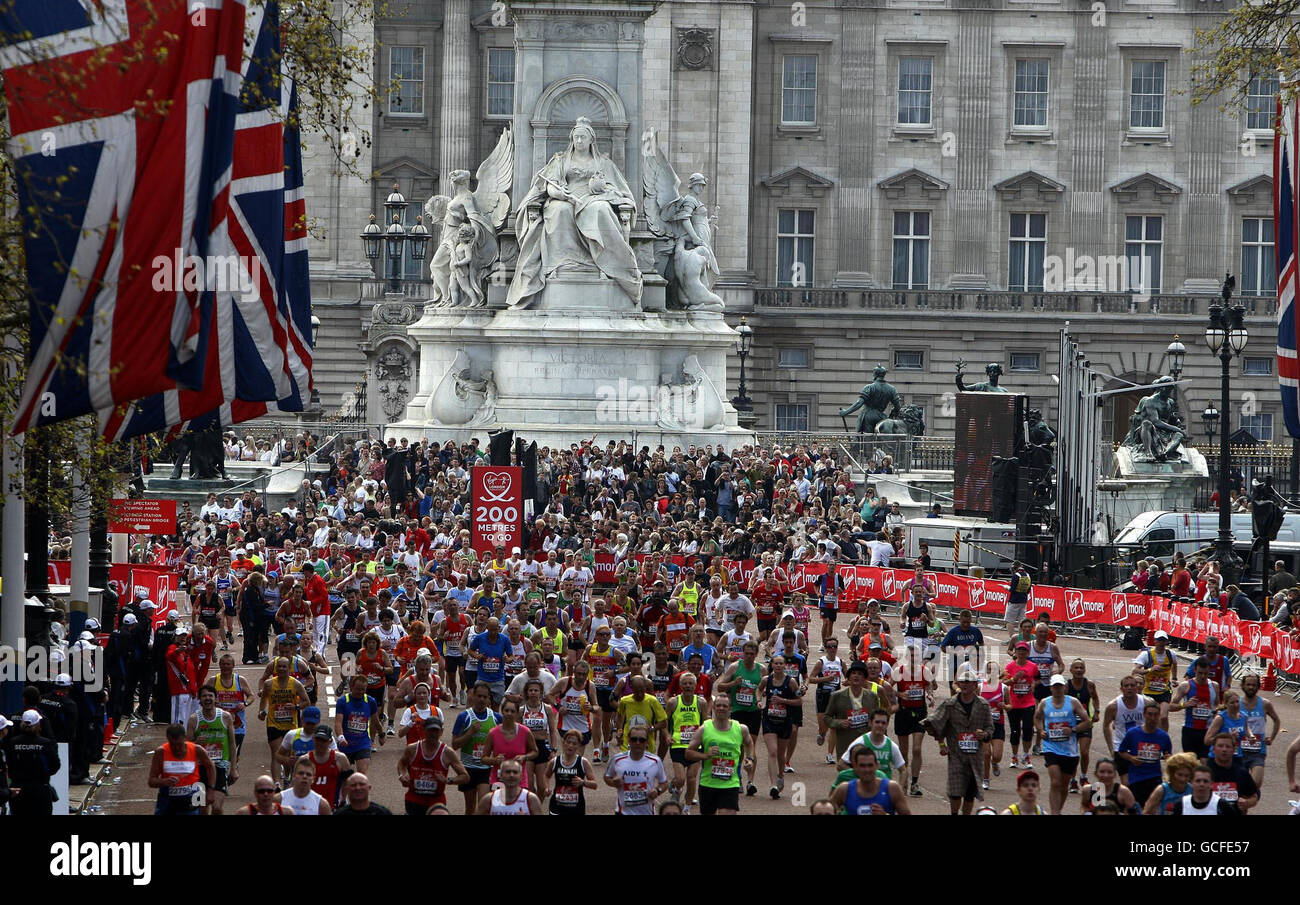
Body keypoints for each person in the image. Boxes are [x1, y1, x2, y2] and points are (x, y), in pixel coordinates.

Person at [926, 666, 995, 814]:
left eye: (968, 682)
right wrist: (941, 744)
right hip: (956, 754)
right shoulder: (950, 704)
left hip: (975, 756)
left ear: (975, 685)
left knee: (970, 794)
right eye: (962, 681)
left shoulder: (983, 705)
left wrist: (984, 735)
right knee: (955, 791)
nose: (964, 684)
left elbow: (990, 728)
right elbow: (934, 724)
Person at [685, 694, 756, 815]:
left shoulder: (740, 729)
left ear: (730, 709)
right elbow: (688, 753)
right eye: (718, 705)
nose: (721, 708)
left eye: (725, 706)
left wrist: (750, 759)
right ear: (713, 707)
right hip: (708, 784)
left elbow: (749, 743)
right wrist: (705, 756)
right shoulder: (704, 728)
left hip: (730, 784)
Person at [1034, 673, 1092, 814]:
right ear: (1051, 688)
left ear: (1065, 688)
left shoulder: (1072, 702)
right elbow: (1037, 717)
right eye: (1055, 687)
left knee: (1064, 784)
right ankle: (1054, 812)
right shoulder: (1044, 702)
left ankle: (1058, 810)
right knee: (1055, 782)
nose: (1058, 689)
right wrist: (1041, 730)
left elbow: (1087, 722)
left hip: (1069, 750)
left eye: (1060, 686)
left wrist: (1073, 729)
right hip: (1051, 747)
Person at [716, 640, 766, 795]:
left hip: (753, 712)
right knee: (738, 746)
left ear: (756, 654)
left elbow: (767, 688)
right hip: (737, 710)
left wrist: (760, 698)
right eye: (747, 654)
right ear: (743, 653)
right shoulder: (735, 667)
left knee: (751, 744)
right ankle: (737, 778)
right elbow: (720, 687)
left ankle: (750, 781)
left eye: (752, 654)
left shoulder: (761, 670)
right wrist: (733, 683)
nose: (749, 657)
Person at [398, 712, 469, 815]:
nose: (433, 734)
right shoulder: (412, 749)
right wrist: (403, 775)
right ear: (424, 730)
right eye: (430, 730)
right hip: (414, 800)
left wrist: (448, 780)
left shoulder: (447, 753)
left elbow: (465, 777)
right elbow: (402, 764)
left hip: (436, 802)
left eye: (436, 731)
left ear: (441, 732)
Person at [186, 685, 237, 815]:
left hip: (221, 765)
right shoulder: (194, 719)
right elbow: (186, 747)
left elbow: (232, 743)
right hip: (200, 767)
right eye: (204, 696)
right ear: (199, 699)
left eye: (210, 696)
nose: (207, 699)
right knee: (201, 808)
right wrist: (196, 743)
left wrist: (234, 768)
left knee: (217, 807)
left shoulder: (225, 717)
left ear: (216, 699)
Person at [451, 682, 501, 814]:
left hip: (486, 769)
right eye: (479, 696)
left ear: (489, 698)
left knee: (484, 806)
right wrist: (470, 733)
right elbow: (455, 744)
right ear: (472, 696)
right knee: (470, 808)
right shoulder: (464, 717)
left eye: (485, 697)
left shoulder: (496, 718)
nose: (482, 700)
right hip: (468, 768)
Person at [823, 660, 886, 763]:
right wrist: (838, 723)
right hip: (845, 745)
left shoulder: (872, 696)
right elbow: (827, 717)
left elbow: (876, 717)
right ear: (849, 677)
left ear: (864, 678)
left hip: (866, 745)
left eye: (860, 674)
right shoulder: (837, 696)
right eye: (853, 673)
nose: (856, 676)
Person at [759, 654, 804, 799]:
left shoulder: (790, 682)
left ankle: (780, 775)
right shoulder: (766, 680)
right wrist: (759, 701)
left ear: (785, 666)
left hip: (784, 721)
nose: (778, 666)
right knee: (772, 751)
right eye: (776, 663)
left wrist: (783, 700)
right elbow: (759, 690)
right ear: (772, 665)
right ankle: (773, 785)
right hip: (769, 720)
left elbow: (799, 701)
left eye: (781, 664)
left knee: (780, 755)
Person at [148, 722, 217, 815]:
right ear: (168, 739)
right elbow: (151, 781)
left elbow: (210, 767)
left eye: (179, 744)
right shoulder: (161, 752)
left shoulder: (196, 750)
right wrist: (164, 781)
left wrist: (211, 790)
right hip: (168, 802)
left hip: (191, 801)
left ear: (185, 738)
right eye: (172, 744)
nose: (176, 748)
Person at [893, 645, 935, 796]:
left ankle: (915, 783)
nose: (913, 658)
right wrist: (900, 694)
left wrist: (930, 695)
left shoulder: (924, 671)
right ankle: (903, 780)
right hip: (903, 713)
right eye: (910, 655)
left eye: (915, 655)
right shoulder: (899, 671)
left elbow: (930, 686)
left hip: (919, 712)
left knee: (916, 749)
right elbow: (886, 687)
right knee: (903, 752)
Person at [3, 710, 60, 817]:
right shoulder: (45, 743)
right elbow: (55, 766)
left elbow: (9, 764)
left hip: (18, 790)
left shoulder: (13, 742)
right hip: (40, 789)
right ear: (38, 724)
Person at [664, 671, 707, 812]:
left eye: (690, 683)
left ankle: (687, 807)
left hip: (695, 746)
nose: (688, 686)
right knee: (681, 779)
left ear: (695, 685)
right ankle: (675, 786)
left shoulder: (701, 702)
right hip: (677, 744)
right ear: (680, 685)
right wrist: (667, 735)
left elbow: (706, 724)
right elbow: (664, 722)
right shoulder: (673, 702)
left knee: (691, 778)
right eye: (685, 683)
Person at [1117, 701, 1172, 807]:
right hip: (1136, 778)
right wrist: (1131, 758)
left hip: (1154, 778)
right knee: (1137, 808)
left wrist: (1168, 757)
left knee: (1152, 808)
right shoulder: (1133, 733)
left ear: (1159, 716)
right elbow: (1121, 751)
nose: (1152, 718)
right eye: (1149, 714)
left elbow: (1168, 754)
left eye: (1155, 715)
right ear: (1144, 715)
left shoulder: (1164, 736)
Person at [1102, 675, 1152, 790]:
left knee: (1143, 783)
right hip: (1121, 747)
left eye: (1132, 685)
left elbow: (1155, 722)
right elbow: (1106, 726)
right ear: (1121, 689)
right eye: (1126, 686)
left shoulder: (1146, 703)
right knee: (1127, 784)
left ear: (1137, 688)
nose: (1129, 688)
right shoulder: (1113, 706)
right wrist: (1111, 748)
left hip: (1141, 747)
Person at [603, 726, 668, 815]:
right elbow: (607, 777)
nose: (638, 743)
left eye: (642, 740)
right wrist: (613, 782)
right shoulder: (617, 759)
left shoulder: (655, 761)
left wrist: (658, 790)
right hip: (623, 812)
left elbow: (664, 782)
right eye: (634, 739)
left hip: (647, 812)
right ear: (629, 741)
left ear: (647, 742)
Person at [830, 745, 910, 815]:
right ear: (855, 767)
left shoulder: (892, 789)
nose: (867, 770)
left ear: (877, 765)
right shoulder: (844, 789)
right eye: (862, 766)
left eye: (870, 765)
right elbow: (826, 810)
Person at [1169, 657, 1221, 758]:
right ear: (1195, 671)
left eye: (1205, 673)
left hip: (1207, 730)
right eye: (1200, 673)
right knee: (1190, 764)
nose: (1202, 676)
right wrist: (1185, 705)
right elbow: (1170, 706)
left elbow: (1217, 705)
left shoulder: (1214, 686)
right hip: (1190, 730)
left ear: (1209, 672)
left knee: (1205, 764)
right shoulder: (1186, 685)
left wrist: (1217, 713)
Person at [335, 673, 385, 775]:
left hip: (363, 744)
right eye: (358, 689)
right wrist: (340, 737)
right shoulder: (343, 701)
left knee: (361, 774)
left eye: (363, 689)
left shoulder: (370, 701)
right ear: (351, 686)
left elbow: (375, 720)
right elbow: (338, 722)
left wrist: (381, 734)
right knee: (343, 775)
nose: (360, 692)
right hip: (346, 744)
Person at [1063, 658, 1100, 793]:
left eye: (1081, 668)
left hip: (1085, 723)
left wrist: (1096, 712)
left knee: (1084, 752)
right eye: (1076, 668)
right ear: (1071, 670)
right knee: (1073, 754)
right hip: (1071, 724)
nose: (1079, 670)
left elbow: (1095, 698)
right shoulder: (1066, 686)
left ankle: (1083, 776)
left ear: (1084, 670)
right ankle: (1072, 780)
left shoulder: (1089, 685)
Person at [1002, 641, 1040, 768]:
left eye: (1024, 650)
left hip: (1028, 703)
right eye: (1019, 650)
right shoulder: (1010, 667)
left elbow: (1038, 678)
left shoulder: (1033, 666)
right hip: (1013, 703)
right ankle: (1014, 756)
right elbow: (1003, 683)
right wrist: (1014, 679)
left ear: (1028, 652)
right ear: (1016, 652)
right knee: (1015, 731)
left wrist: (1034, 684)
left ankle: (1025, 755)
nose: (1022, 652)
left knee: (1028, 729)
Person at [809, 637, 845, 765]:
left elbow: (847, 677)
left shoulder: (840, 662)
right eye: (829, 646)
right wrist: (826, 679)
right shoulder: (821, 662)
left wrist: (847, 682)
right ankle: (822, 734)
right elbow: (811, 679)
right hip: (822, 694)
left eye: (834, 646)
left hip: (836, 694)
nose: (832, 649)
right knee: (823, 724)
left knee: (834, 726)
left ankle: (830, 754)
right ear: (826, 648)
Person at [1132, 630, 1178, 730]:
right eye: (1159, 640)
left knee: (1163, 717)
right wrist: (1149, 670)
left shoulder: (1171, 654)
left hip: (1164, 692)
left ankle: (1163, 738)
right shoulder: (1146, 655)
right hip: (1148, 692)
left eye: (1163, 640)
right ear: (1155, 641)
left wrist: (1174, 678)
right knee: (1147, 719)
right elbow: (1134, 671)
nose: (1161, 643)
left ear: (1166, 642)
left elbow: (1174, 664)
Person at [1205, 732, 1260, 812]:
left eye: (1228, 747)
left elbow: (1254, 797)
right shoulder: (1205, 772)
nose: (1224, 749)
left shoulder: (1242, 773)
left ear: (1234, 750)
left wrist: (1247, 803)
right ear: (1214, 749)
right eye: (1220, 746)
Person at [1169, 763, 1239, 816]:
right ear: (1191, 783)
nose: (1201, 784)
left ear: (1211, 784)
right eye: (1198, 781)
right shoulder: (1181, 805)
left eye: (1205, 781)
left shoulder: (1222, 806)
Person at [1142, 751, 1199, 815]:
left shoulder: (1192, 790)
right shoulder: (1162, 790)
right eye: (1180, 775)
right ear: (1172, 773)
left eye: (1187, 776)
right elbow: (1146, 811)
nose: (1183, 779)